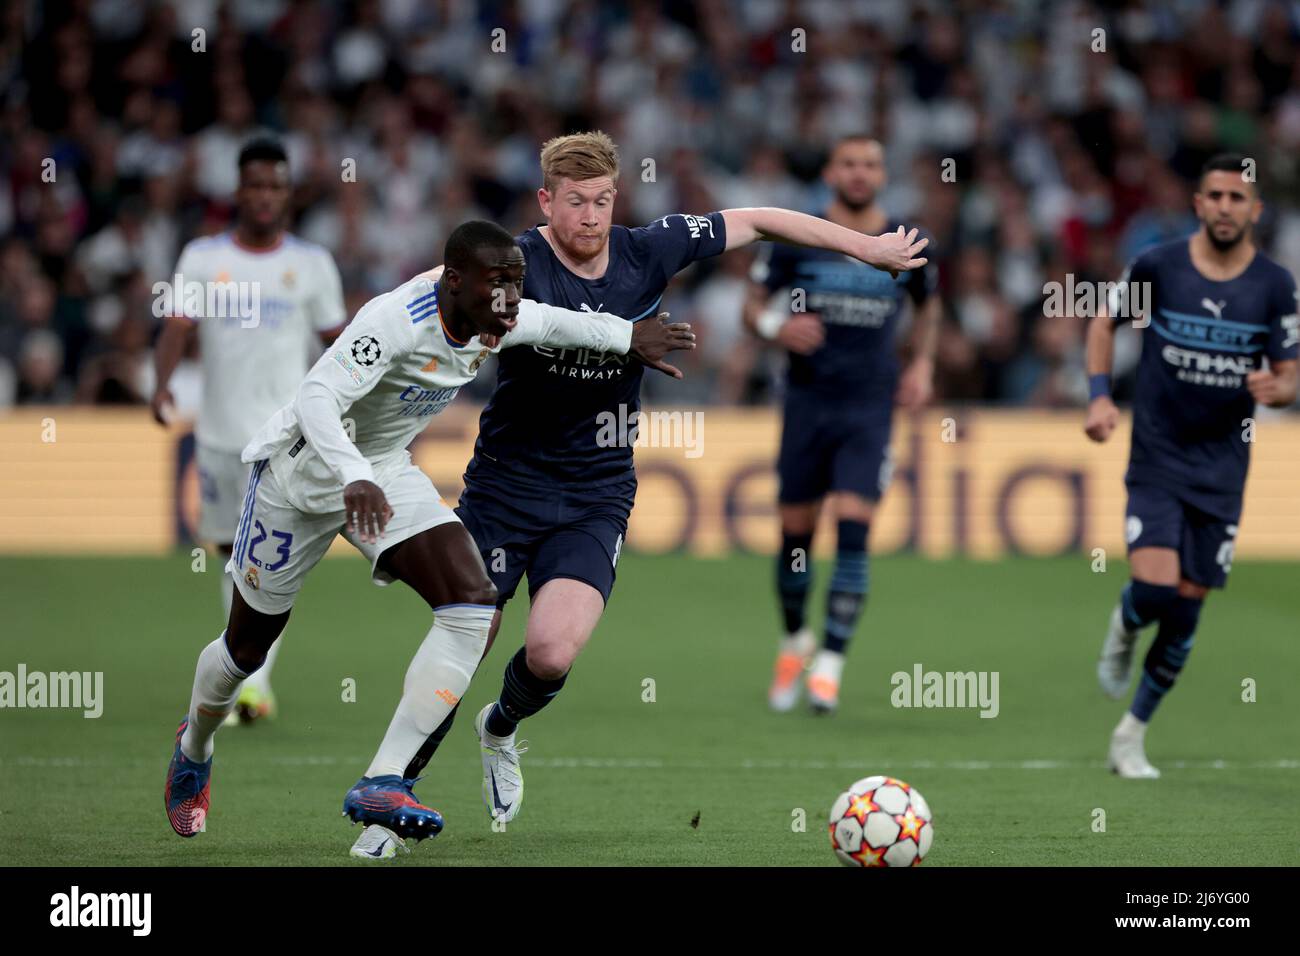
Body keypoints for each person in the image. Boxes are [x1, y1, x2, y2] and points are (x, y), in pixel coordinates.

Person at [389, 130, 928, 829]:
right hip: (504, 485)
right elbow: (448, 321)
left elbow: (761, 219)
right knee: (467, 640)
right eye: (575, 202)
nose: (590, 217)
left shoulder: (650, 248)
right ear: (546, 200)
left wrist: (868, 246)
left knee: (551, 653)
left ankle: (500, 728)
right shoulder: (513, 263)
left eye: (603, 201)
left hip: (595, 490)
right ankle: (393, 795)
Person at [163, 220, 695, 849]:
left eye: (517, 284)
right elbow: (315, 397)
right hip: (300, 479)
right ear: (453, 280)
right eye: (497, 284)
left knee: (472, 604)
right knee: (245, 652)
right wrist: (352, 475)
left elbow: (559, 323)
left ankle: (384, 780)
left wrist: (629, 336)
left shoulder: (501, 315)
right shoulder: (394, 319)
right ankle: (194, 746)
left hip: (384, 471)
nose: (510, 300)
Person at [1086, 154, 1298, 778]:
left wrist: (1278, 391)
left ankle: (1131, 736)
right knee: (1154, 590)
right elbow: (1104, 322)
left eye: (1238, 198)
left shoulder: (1275, 285)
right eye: (1216, 196)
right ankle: (1124, 626)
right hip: (1158, 455)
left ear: (1255, 210)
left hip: (1225, 469)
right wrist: (1099, 395)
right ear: (1198, 205)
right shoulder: (1160, 266)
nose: (1226, 207)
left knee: (1187, 608)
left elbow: (1289, 377)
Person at [152, 137, 346, 724]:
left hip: (286, 438)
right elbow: (177, 328)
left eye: (276, 187)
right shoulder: (204, 258)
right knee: (229, 557)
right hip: (218, 437)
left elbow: (338, 344)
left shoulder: (312, 265)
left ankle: (251, 683)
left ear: (288, 194)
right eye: (255, 186)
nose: (265, 196)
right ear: (239, 192)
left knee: (267, 559)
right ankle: (241, 670)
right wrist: (160, 384)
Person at [744, 136, 940, 714]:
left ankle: (829, 662)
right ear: (831, 171)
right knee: (795, 534)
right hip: (806, 403)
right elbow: (751, 306)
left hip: (869, 407)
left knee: (855, 526)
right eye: (849, 163)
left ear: (883, 174)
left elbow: (929, 305)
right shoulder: (797, 236)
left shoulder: (908, 242)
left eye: (871, 164)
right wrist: (775, 330)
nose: (860, 174)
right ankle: (793, 642)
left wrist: (923, 363)